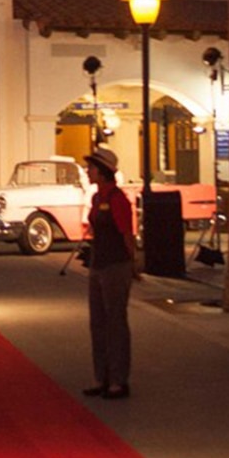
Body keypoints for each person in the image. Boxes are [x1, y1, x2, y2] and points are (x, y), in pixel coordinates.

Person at [80, 146, 139, 400]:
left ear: (103, 172)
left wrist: (132, 263)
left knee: (115, 322)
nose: (87, 171)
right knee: (97, 322)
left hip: (115, 265)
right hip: (98, 263)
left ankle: (118, 380)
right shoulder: (96, 198)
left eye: (91, 167)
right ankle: (100, 376)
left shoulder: (117, 199)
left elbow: (127, 234)